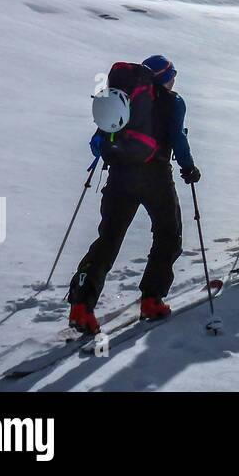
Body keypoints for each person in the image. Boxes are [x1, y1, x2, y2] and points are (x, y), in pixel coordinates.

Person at [68, 56, 201, 334]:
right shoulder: (173, 101)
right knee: (168, 234)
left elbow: (100, 140)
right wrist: (188, 168)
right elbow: (178, 138)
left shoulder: (123, 99)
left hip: (119, 175)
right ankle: (152, 300)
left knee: (109, 239)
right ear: (165, 77)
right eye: (172, 75)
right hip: (155, 176)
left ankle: (81, 305)